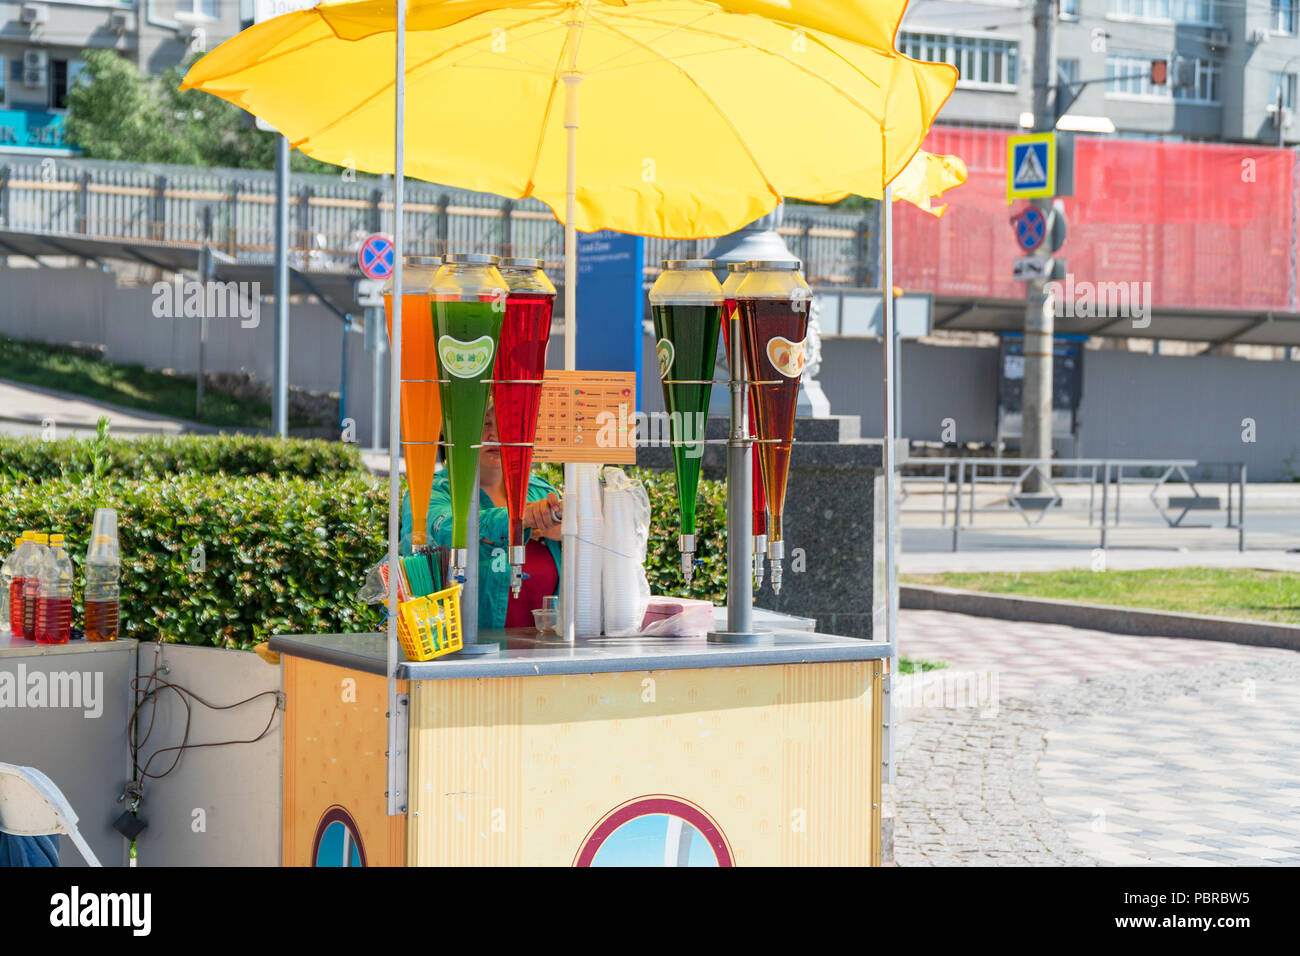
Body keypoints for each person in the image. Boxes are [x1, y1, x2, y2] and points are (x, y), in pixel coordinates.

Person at [400, 401, 562, 630]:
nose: (494, 434)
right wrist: (521, 519)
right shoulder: (428, 491)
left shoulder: (542, 493)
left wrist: (568, 531)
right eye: (484, 423)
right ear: (455, 430)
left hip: (542, 654)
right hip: (460, 655)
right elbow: (449, 531)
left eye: (504, 424)